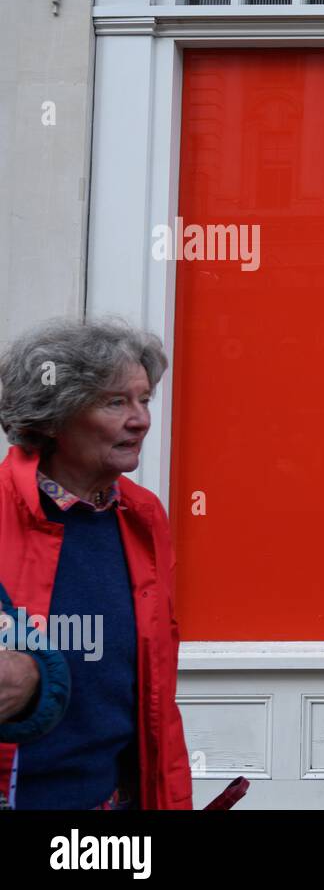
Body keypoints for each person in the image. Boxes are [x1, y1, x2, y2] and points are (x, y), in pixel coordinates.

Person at [0, 317, 192, 809]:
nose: (141, 419)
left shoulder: (143, 516)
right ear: (51, 418)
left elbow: (153, 692)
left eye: (144, 399)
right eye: (115, 402)